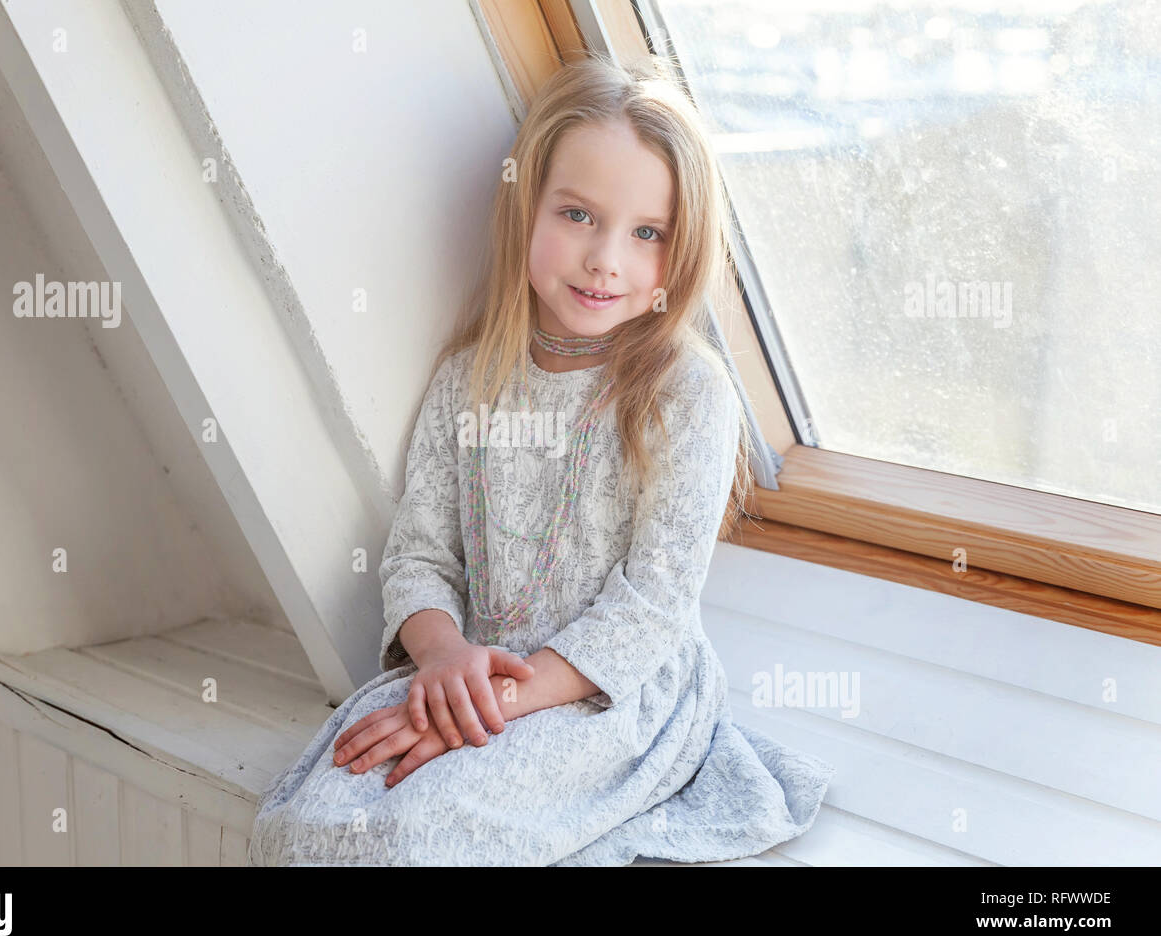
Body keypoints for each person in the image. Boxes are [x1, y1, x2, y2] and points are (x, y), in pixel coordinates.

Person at [248, 52, 835, 866]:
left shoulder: (689, 396)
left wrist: (497, 698)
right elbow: (420, 557)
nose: (606, 259)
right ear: (527, 207)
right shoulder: (469, 380)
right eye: (577, 215)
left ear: (684, 244)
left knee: (424, 841)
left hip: (612, 693)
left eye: (647, 233)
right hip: (472, 676)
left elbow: (654, 607)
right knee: (308, 827)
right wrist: (445, 659)